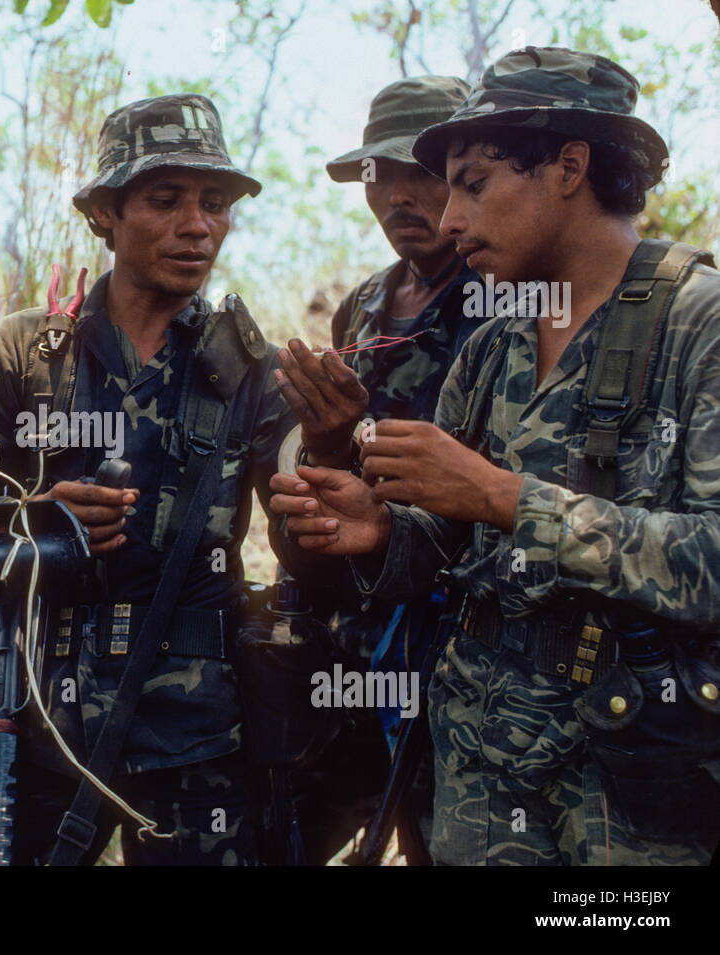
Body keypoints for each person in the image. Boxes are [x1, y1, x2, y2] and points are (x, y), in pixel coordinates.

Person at [273, 46, 720, 865]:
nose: (447, 219)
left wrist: (509, 498)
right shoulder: (493, 349)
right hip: (480, 770)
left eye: (473, 185)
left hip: (636, 786)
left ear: (570, 167)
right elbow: (446, 548)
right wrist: (379, 527)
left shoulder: (699, 325)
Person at [0, 93, 294, 865]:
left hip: (195, 732)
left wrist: (328, 454)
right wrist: (31, 518)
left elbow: (308, 543)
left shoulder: (251, 369)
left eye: (216, 203)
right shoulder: (27, 350)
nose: (198, 225)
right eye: (165, 200)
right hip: (33, 717)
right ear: (105, 213)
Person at [273, 75, 478, 864]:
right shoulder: (362, 305)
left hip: (455, 630)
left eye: (421, 174)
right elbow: (332, 449)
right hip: (355, 630)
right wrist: (318, 450)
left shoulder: (508, 293)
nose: (398, 197)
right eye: (379, 177)